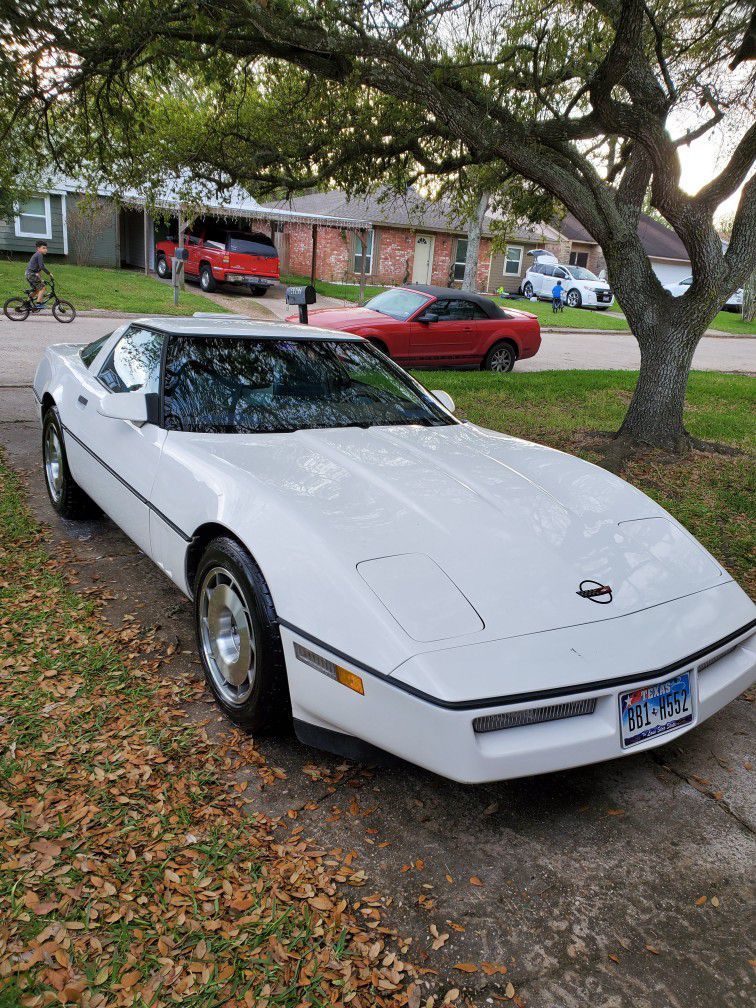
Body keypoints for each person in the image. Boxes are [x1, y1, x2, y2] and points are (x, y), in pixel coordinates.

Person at [25, 240, 52, 311]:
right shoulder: (39, 254)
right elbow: (42, 267)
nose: (46, 249)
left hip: (30, 274)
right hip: (31, 274)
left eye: (46, 248)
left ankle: (27, 303)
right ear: (38, 248)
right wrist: (49, 273)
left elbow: (39, 269)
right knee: (42, 288)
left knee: (37, 289)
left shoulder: (37, 255)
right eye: (43, 248)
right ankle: (39, 303)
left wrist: (40, 279)